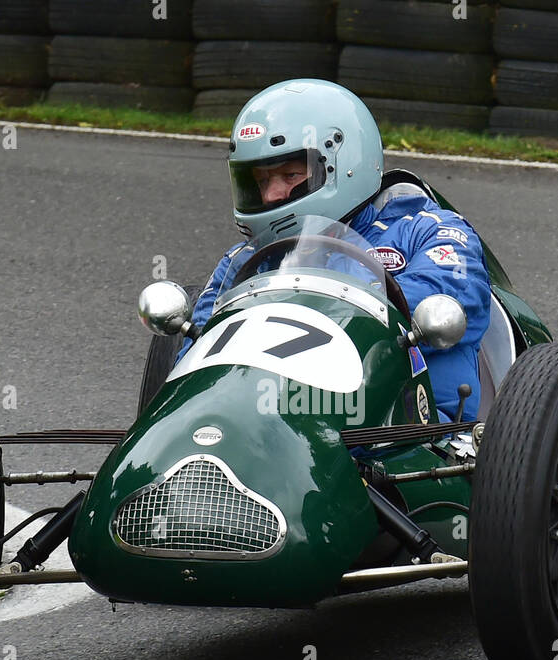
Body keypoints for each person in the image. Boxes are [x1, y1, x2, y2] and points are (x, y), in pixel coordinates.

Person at [185, 79, 492, 422]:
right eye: (260, 181)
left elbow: (455, 298)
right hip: (265, 423)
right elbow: (197, 353)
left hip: (400, 437)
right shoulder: (244, 260)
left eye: (289, 175)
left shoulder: (428, 230)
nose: (271, 195)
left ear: (343, 164)